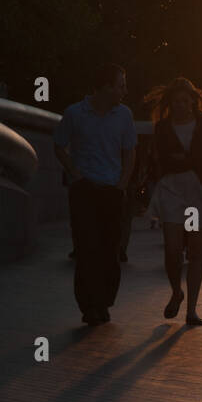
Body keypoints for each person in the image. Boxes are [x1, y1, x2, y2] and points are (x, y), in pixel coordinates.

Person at [54, 63, 137, 326]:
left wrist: (122, 183)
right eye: (121, 85)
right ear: (105, 86)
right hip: (84, 191)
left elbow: (130, 151)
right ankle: (89, 306)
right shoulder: (75, 114)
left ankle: (104, 301)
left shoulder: (124, 116)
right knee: (86, 249)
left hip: (112, 191)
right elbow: (59, 145)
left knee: (110, 251)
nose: (125, 90)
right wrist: (74, 173)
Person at [146, 77, 202, 327]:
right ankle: (176, 291)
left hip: (197, 192)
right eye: (176, 101)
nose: (180, 105)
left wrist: (189, 162)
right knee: (172, 249)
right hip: (171, 190)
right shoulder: (163, 127)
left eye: (185, 101)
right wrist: (184, 160)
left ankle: (191, 309)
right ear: (170, 103)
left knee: (196, 251)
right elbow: (163, 160)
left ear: (193, 101)